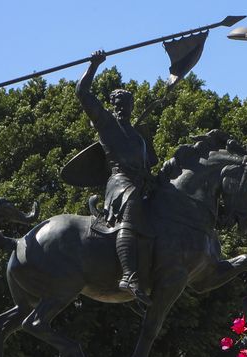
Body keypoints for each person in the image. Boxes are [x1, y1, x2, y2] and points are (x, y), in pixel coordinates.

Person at [77, 49, 157, 306]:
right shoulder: (107, 123)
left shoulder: (138, 136)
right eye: (119, 104)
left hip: (142, 182)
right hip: (121, 183)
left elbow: (149, 165)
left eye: (127, 104)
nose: (123, 108)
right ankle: (128, 275)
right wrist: (93, 65)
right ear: (113, 106)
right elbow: (82, 93)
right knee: (132, 201)